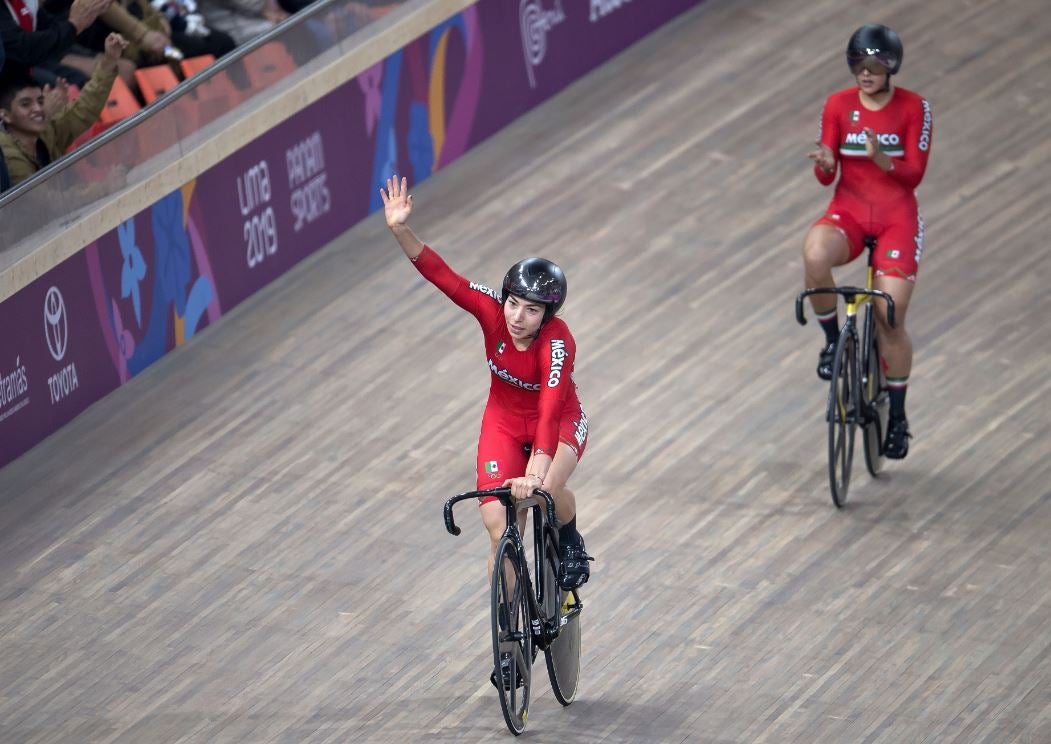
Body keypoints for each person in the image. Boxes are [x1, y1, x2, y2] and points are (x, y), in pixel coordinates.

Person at [379, 175, 593, 592]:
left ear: (547, 316)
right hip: (505, 421)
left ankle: (569, 536)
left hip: (559, 420)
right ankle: (509, 622)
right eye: (513, 304)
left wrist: (535, 473)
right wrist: (400, 229)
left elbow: (550, 409)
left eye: (531, 311)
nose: (517, 317)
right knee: (499, 529)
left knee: (545, 491)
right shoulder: (492, 311)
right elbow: (443, 275)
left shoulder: (556, 343)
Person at [803, 23, 932, 459]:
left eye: (874, 66)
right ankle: (831, 343)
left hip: (897, 220)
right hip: (850, 213)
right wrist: (825, 165)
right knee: (814, 254)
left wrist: (882, 159)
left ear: (891, 67)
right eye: (858, 64)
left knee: (888, 316)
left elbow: (915, 174)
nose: (865, 72)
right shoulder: (837, 105)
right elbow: (826, 177)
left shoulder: (915, 108)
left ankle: (897, 417)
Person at [0, 31, 126, 188]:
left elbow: (84, 108)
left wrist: (109, 61)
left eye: (40, 101)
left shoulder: (47, 130)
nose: (38, 108)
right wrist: (103, 187)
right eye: (26, 104)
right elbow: (44, 200)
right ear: (4, 115)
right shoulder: (7, 154)